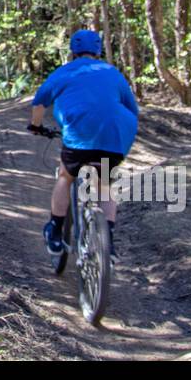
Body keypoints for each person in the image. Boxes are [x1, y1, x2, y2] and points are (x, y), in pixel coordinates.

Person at [27, 29, 138, 259]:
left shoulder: (64, 71)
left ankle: (55, 231)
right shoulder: (113, 72)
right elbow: (132, 109)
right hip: (114, 136)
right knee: (105, 185)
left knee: (65, 176)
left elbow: (39, 103)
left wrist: (36, 126)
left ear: (73, 50)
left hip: (79, 135)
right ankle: (108, 242)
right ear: (98, 50)